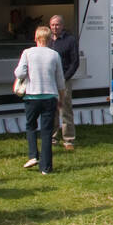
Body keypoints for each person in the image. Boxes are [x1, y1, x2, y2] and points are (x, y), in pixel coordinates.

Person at [14, 25, 67, 174]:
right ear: (50, 39)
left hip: (31, 95)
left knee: (30, 126)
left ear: (36, 38)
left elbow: (20, 73)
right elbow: (60, 80)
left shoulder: (27, 53)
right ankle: (46, 167)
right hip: (50, 96)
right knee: (47, 131)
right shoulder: (54, 55)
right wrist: (61, 99)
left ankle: (33, 155)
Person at [46, 15, 79, 151]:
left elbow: (75, 62)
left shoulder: (70, 40)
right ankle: (52, 137)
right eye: (53, 25)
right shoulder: (47, 40)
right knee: (51, 109)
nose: (55, 27)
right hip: (48, 80)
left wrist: (65, 78)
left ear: (62, 26)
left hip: (64, 80)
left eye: (57, 25)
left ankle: (68, 138)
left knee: (65, 109)